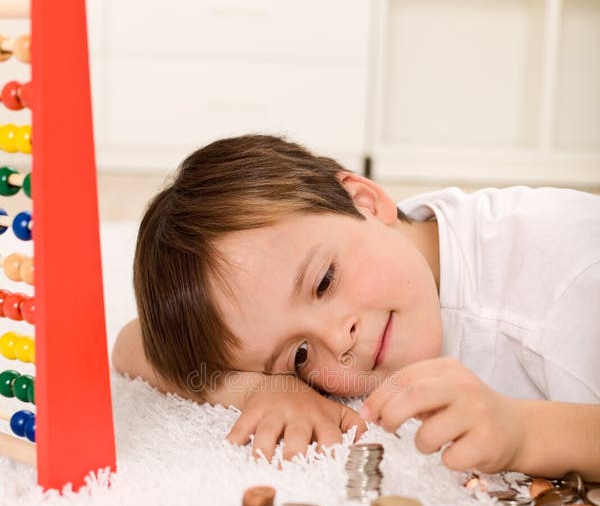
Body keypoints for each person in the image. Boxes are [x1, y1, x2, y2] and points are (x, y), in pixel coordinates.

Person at [112, 134, 600, 479]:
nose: (335, 339)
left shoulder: (567, 284)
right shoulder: (384, 242)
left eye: (323, 283)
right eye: (300, 355)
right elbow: (132, 344)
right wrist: (265, 387)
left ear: (366, 200)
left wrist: (524, 434)